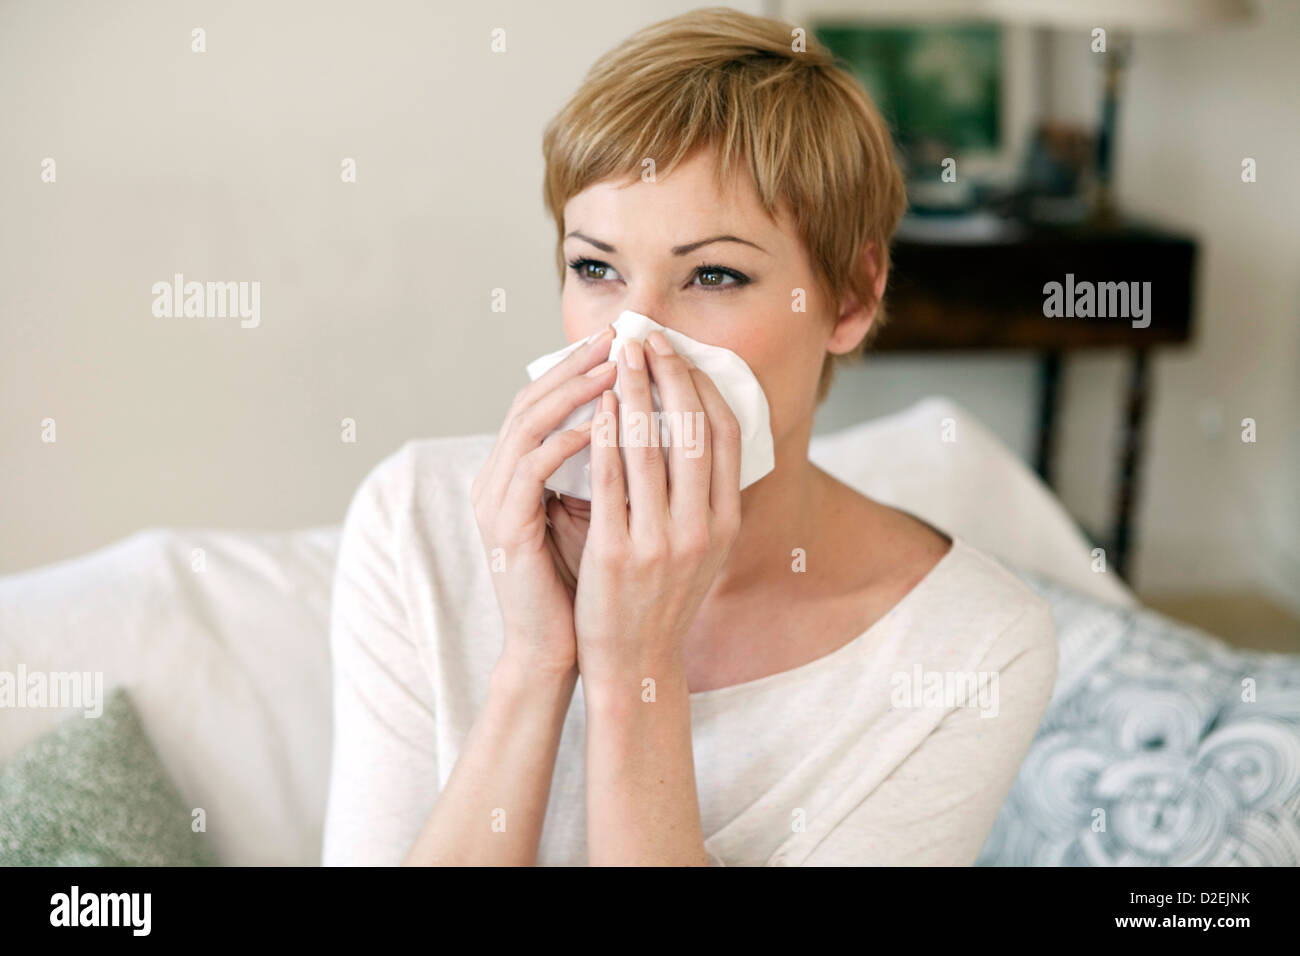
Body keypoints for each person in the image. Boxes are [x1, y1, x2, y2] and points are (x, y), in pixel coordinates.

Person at [322, 7, 1057, 866]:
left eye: (713, 274)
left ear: (850, 299)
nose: (637, 335)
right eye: (596, 267)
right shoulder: (414, 520)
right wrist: (534, 661)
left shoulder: (971, 647)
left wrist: (637, 669)